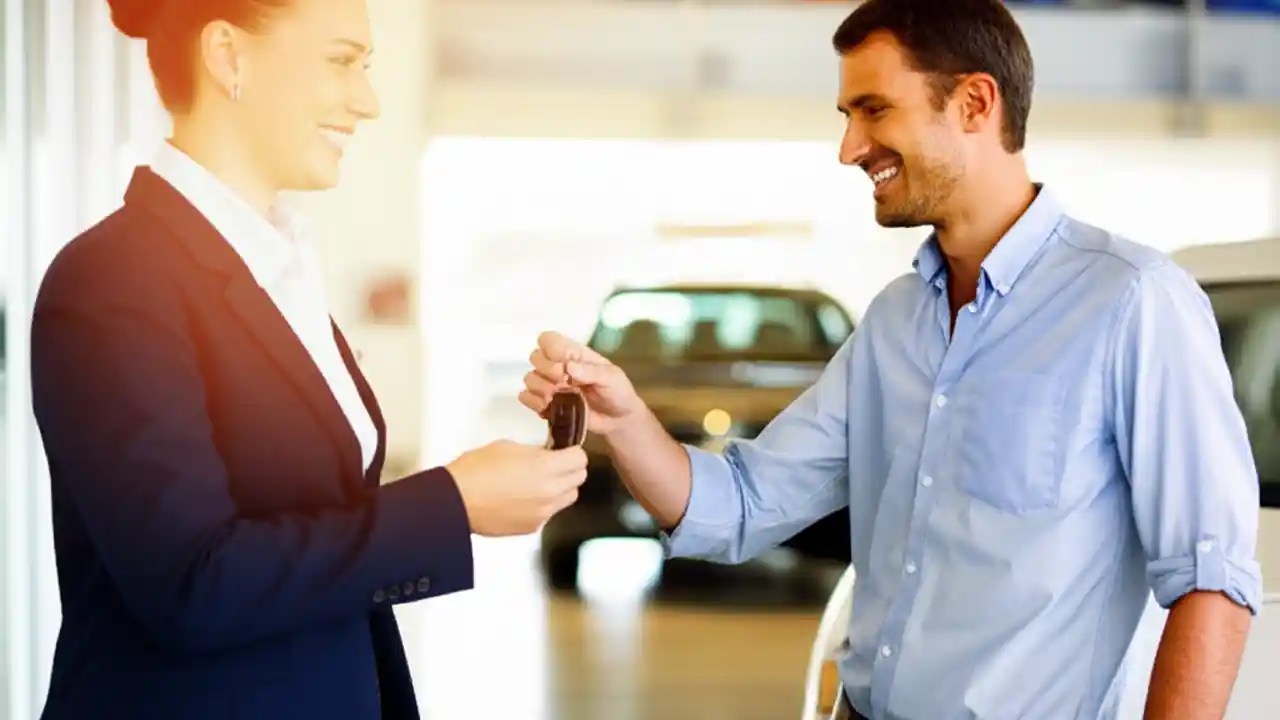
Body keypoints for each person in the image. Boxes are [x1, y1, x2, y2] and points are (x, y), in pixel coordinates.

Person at [520, 1, 1262, 718]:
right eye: (848, 117)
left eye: (874, 110)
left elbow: (1210, 581)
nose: (850, 148)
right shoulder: (894, 321)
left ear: (974, 103)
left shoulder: (1133, 302)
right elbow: (740, 506)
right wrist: (624, 418)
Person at [30, 1, 586, 718]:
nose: (368, 100)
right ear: (228, 55)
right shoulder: (115, 280)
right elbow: (192, 584)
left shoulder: (276, 267)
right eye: (341, 60)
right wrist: (453, 504)